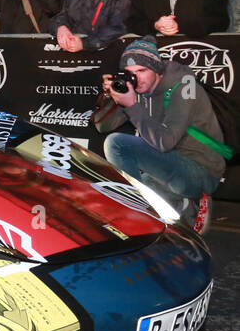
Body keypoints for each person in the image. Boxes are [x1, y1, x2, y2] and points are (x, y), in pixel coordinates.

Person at [96, 36, 225, 227]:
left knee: (117, 144)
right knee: (112, 192)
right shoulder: (139, 89)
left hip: (200, 170)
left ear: (157, 70)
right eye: (130, 73)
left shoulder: (183, 87)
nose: (136, 77)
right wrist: (111, 96)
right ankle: (181, 203)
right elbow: (101, 125)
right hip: (165, 167)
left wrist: (131, 105)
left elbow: (166, 142)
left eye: (142, 70)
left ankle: (139, 211)